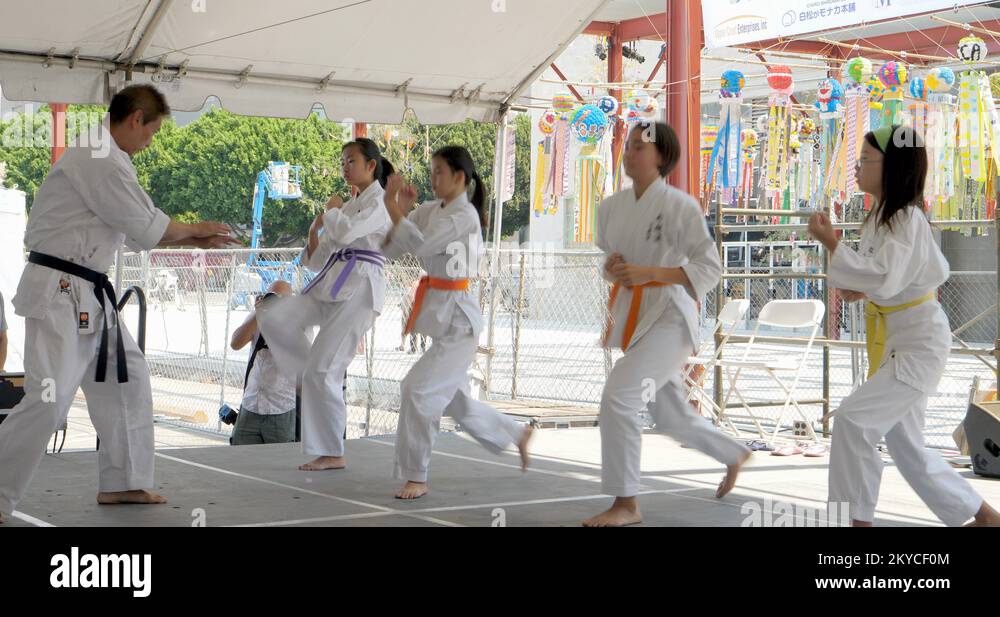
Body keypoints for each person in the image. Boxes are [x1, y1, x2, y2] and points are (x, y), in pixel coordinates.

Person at [0, 84, 238, 524]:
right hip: (60, 291)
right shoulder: (100, 158)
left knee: (127, 381)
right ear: (135, 119)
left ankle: (123, 481)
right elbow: (145, 224)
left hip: (88, 292)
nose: (151, 142)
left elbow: (134, 230)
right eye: (152, 132)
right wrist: (197, 228)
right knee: (48, 402)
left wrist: (192, 234)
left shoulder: (107, 156)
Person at [808, 124, 1000, 527]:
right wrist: (866, 288)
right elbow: (890, 277)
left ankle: (854, 520)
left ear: (891, 167)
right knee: (907, 447)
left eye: (864, 161)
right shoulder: (884, 216)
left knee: (852, 421)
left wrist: (833, 245)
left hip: (918, 343)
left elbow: (882, 276)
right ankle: (984, 516)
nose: (856, 169)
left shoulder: (905, 218)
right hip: (904, 337)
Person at [582, 121, 751, 527]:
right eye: (629, 146)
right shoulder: (611, 208)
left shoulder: (680, 206)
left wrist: (653, 273)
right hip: (636, 318)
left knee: (620, 397)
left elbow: (708, 267)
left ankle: (627, 503)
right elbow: (614, 265)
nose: (631, 152)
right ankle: (732, 453)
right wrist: (616, 269)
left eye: (641, 147)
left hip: (672, 320)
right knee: (672, 416)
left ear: (662, 158)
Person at [381, 146, 533, 500]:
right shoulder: (432, 209)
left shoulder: (464, 216)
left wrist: (394, 208)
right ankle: (515, 433)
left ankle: (416, 474)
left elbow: (421, 245)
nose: (433, 179)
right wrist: (400, 210)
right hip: (442, 315)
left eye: (439, 172)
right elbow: (392, 249)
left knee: (417, 391)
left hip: (460, 320)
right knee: (452, 400)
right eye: (431, 171)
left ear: (460, 178)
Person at [256, 138, 392, 471]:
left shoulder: (381, 203)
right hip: (331, 284)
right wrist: (315, 232)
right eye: (342, 162)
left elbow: (347, 235)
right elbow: (317, 260)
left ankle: (332, 450)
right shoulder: (348, 206)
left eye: (351, 161)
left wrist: (332, 210)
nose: (345, 167)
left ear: (371, 165)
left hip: (360, 290)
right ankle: (306, 373)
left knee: (324, 371)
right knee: (273, 316)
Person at [229, 280, 298, 446]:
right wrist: (259, 314)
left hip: (280, 409)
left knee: (277, 464)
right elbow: (235, 343)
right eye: (272, 296)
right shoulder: (257, 317)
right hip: (251, 405)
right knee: (239, 457)